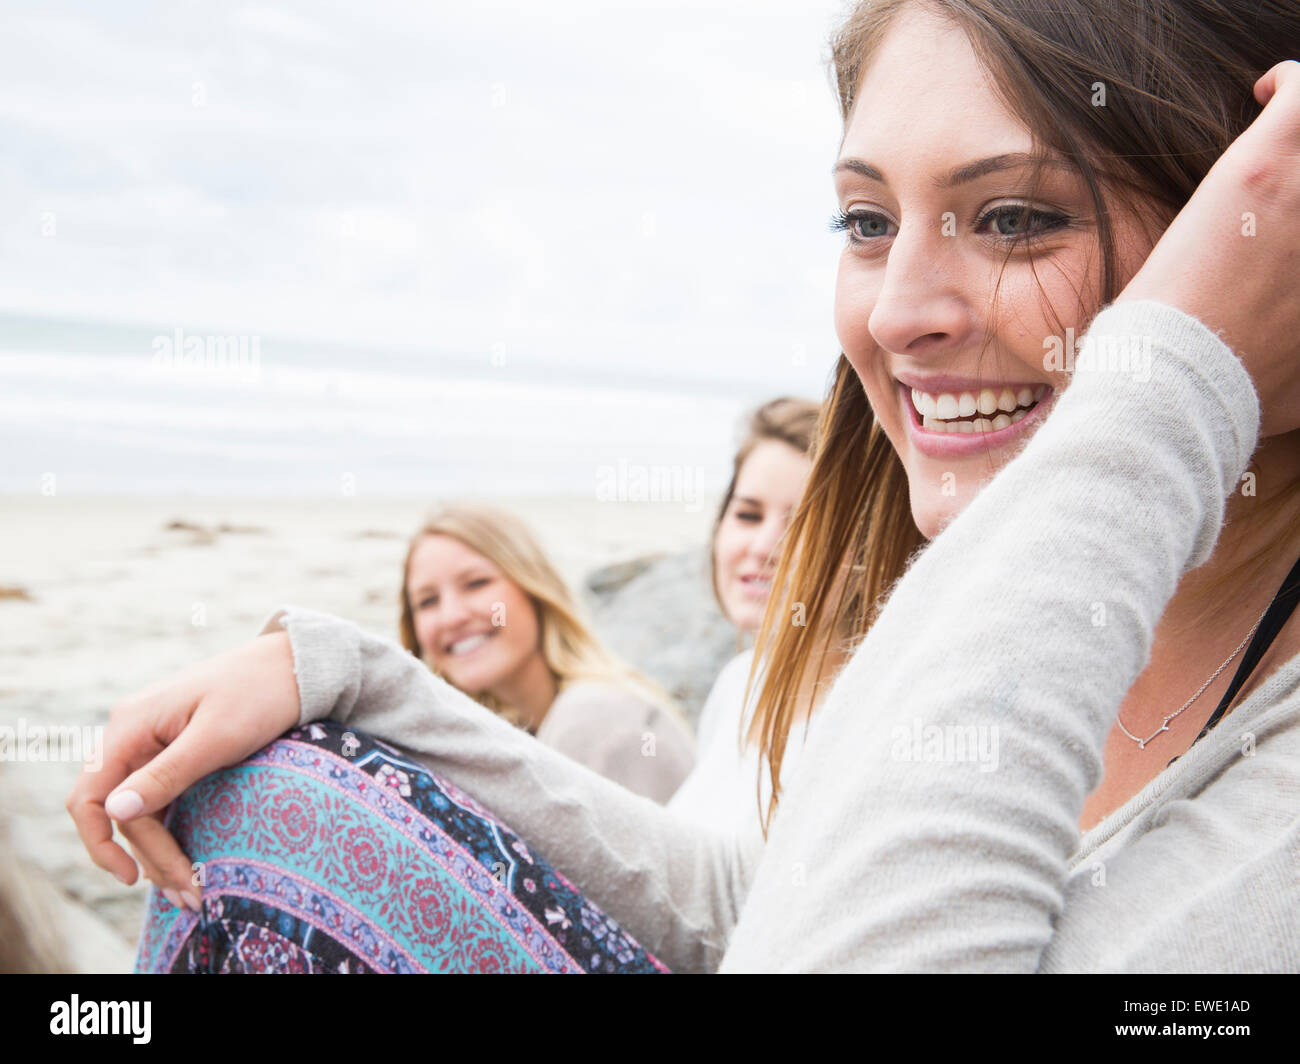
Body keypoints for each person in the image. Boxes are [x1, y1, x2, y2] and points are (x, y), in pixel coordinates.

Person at [69, 0, 1300, 973]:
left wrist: (1170, 389)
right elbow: (752, 908)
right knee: (274, 789)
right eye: (867, 223)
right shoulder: (922, 629)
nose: (897, 313)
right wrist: (354, 683)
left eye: (1015, 216)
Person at [390, 503, 693, 802]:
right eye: (427, 601)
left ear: (534, 589)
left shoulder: (592, 720)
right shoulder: (523, 734)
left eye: (476, 583)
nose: (452, 616)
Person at [668, 397, 830, 835]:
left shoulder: (856, 720)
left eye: (802, 526)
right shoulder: (739, 682)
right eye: (747, 514)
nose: (762, 548)